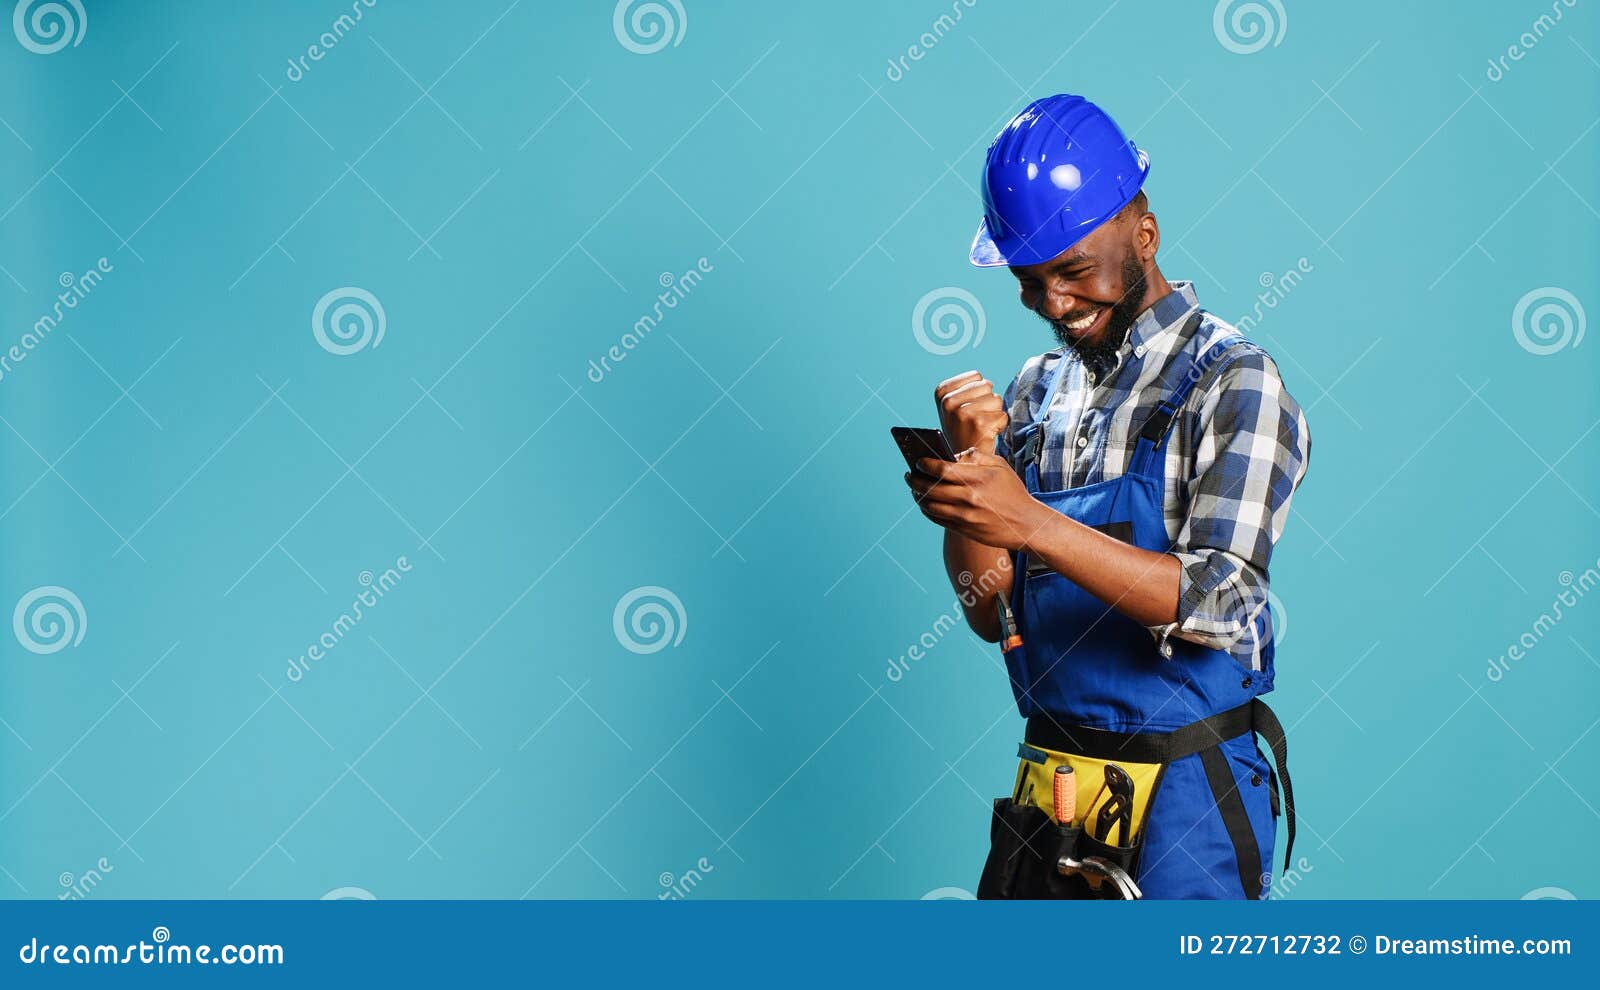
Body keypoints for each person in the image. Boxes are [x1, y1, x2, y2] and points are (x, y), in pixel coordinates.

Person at [905, 94, 1311, 899]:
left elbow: (1220, 603)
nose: (1053, 304)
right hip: (1051, 790)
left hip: (1182, 801)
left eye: (1072, 271)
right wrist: (972, 479)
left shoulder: (1232, 380)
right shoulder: (1034, 392)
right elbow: (991, 612)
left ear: (1144, 235)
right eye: (1030, 283)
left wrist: (1029, 520)